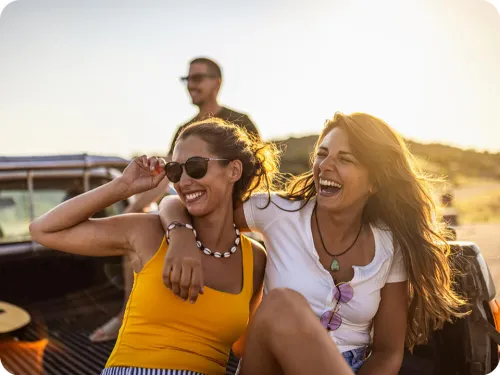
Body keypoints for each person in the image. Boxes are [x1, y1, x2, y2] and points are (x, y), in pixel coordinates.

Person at [158, 112, 467, 374]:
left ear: (374, 182)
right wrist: (181, 236)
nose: (325, 166)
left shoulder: (389, 246)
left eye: (344, 159)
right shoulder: (277, 212)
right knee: (282, 304)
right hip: (271, 365)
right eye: (322, 154)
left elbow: (387, 352)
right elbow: (187, 204)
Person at [29, 119, 274, 375]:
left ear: (234, 170)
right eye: (175, 171)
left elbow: (246, 350)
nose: (184, 181)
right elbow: (43, 230)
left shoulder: (254, 258)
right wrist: (122, 187)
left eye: (196, 167)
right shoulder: (148, 232)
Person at [89, 57, 261, 342]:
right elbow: (174, 176)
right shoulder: (186, 129)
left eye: (198, 78)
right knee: (138, 233)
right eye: (187, 79)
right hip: (190, 209)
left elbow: (253, 172)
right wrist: (135, 204)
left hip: (232, 209)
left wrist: (226, 210)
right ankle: (127, 316)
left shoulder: (240, 122)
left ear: (217, 82)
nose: (191, 85)